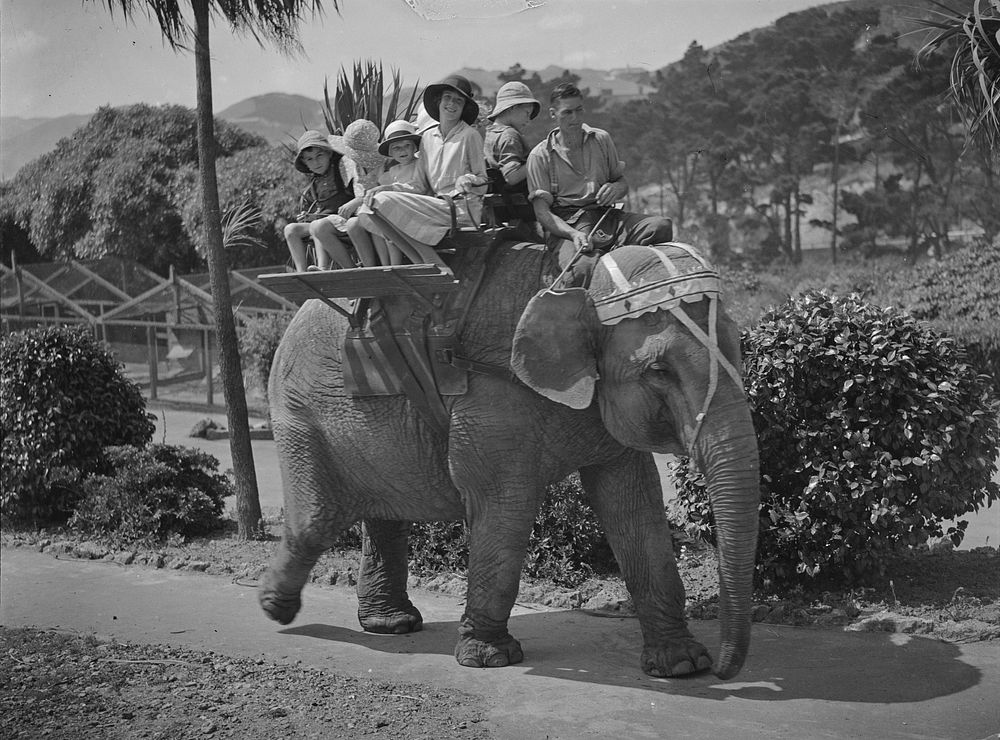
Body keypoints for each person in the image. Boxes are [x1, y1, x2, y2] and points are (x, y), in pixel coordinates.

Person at [525, 82, 673, 285]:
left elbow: (621, 182)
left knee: (660, 226)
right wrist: (573, 234)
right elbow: (542, 212)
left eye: (579, 110)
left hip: (608, 218)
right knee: (579, 272)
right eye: (567, 113)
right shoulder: (539, 155)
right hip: (569, 225)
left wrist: (615, 188)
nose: (575, 119)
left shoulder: (601, 139)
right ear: (553, 114)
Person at [359, 75, 488, 269]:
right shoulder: (428, 137)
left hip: (461, 210)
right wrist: (385, 188)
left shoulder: (470, 136)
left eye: (458, 101)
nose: (451, 104)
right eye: (447, 98)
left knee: (382, 201)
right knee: (371, 206)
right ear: (439, 102)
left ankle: (433, 264)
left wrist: (467, 179)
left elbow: (482, 179)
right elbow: (418, 186)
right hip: (436, 207)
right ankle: (421, 262)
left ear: (464, 107)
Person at [350, 120, 430, 266]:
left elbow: (418, 188)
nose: (403, 151)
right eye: (397, 148)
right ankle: (385, 265)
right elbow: (379, 189)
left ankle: (396, 265)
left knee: (389, 225)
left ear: (414, 147)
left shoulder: (420, 164)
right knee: (376, 220)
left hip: (414, 210)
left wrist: (387, 189)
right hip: (395, 213)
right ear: (391, 153)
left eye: (407, 146)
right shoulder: (392, 172)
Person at [311, 119, 386, 270]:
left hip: (377, 213)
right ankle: (350, 269)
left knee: (353, 224)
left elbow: (383, 191)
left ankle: (370, 270)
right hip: (358, 214)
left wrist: (357, 202)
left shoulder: (382, 166)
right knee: (319, 227)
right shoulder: (353, 165)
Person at [283, 130, 355, 272]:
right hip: (323, 222)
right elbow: (322, 210)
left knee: (317, 226)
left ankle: (322, 268)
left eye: (319, 155)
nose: (315, 162)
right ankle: (302, 273)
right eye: (309, 159)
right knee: (290, 230)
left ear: (329, 153)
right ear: (304, 162)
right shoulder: (315, 183)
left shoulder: (342, 170)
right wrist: (309, 216)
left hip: (344, 221)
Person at [484, 81, 541, 225]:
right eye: (526, 114)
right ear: (513, 107)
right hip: (520, 204)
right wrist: (538, 160)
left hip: (500, 205)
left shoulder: (488, 134)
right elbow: (512, 176)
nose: (528, 120)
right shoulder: (510, 135)